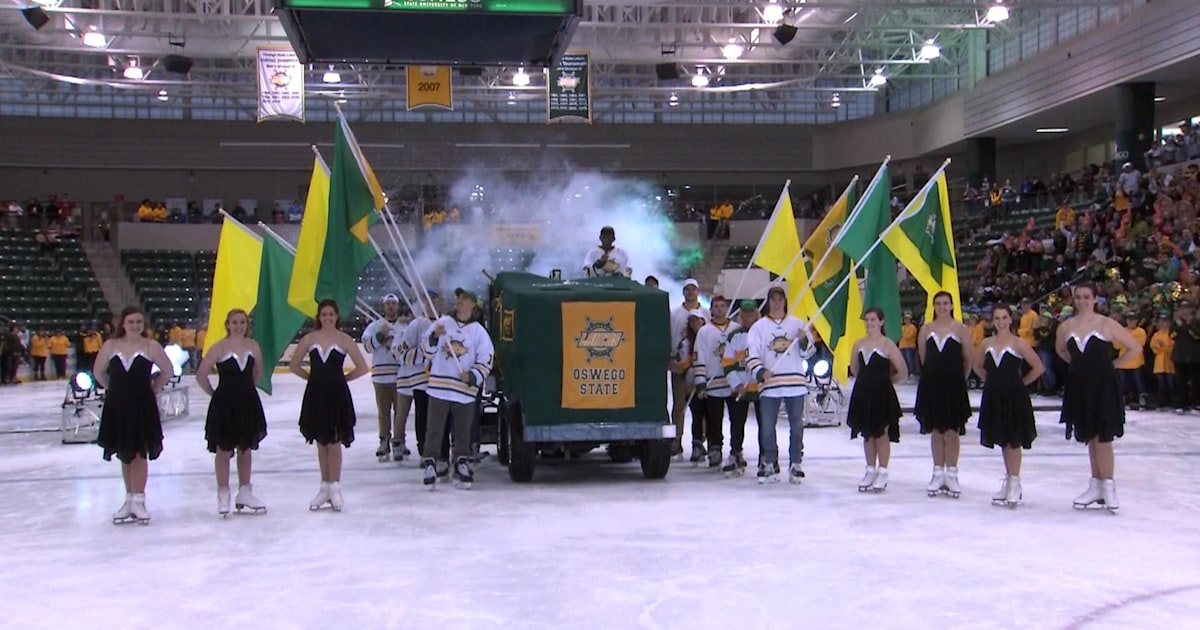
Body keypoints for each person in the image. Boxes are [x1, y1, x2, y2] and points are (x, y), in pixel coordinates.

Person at [1055, 283, 1142, 512]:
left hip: (1103, 386)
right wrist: (1079, 367)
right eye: (1078, 297)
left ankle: (1109, 486)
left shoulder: (1106, 324)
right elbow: (1061, 350)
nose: (1082, 301)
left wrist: (1113, 366)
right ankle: (1096, 485)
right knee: (1090, 436)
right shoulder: (1066, 327)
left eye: (1086, 297)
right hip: (1080, 386)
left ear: (1095, 299)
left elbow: (1134, 348)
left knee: (1103, 438)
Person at [94, 306, 174, 525]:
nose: (135, 326)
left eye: (139, 322)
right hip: (118, 405)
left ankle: (139, 500)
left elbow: (167, 370)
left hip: (142, 404)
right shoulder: (111, 345)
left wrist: (153, 388)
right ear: (123, 324)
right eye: (131, 322)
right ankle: (129, 500)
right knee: (124, 451)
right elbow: (98, 372)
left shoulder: (151, 346)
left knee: (139, 452)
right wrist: (112, 388)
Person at [289, 299, 369, 512]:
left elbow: (362, 367)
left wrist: (343, 380)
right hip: (316, 395)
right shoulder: (309, 339)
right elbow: (294, 365)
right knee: (321, 442)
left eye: (331, 314)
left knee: (334, 442)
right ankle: (324, 486)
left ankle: (335, 487)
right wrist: (311, 379)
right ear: (319, 317)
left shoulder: (344, 339)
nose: (327, 318)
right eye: (323, 315)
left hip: (336, 395)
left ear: (336, 316)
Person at [196, 309, 269, 517]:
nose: (238, 326)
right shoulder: (219, 347)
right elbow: (201, 374)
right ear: (227, 324)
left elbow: (258, 373)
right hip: (224, 404)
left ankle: (245, 491)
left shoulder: (253, 346)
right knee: (223, 450)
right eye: (234, 322)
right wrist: (215, 394)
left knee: (245, 448)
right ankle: (223, 493)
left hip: (247, 402)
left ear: (247, 325)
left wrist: (246, 391)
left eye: (242, 322)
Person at [419, 288, 494, 490]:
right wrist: (435, 336)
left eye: (465, 299)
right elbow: (425, 349)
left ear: (473, 305)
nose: (460, 301)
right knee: (434, 430)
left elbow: (486, 359)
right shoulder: (443, 323)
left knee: (463, 432)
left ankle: (461, 462)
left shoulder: (478, 331)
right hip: (439, 388)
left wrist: (472, 376)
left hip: (464, 392)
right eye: (459, 298)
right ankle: (431, 464)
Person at [975, 305, 1045, 508]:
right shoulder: (986, 344)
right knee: (1004, 439)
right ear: (992, 321)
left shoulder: (1018, 343)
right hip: (994, 396)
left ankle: (1015, 481)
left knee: (1013, 440)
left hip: (1014, 396)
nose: (1001, 321)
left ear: (1010, 319)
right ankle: (1009, 479)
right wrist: (989, 380)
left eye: (1004, 317)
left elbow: (1039, 366)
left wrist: (1022, 383)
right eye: (997, 318)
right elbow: (976, 365)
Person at [747, 286, 814, 484]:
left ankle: (795, 462)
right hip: (771, 384)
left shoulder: (797, 324)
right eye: (773, 299)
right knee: (767, 427)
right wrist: (760, 371)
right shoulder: (758, 327)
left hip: (795, 383)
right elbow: (751, 353)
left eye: (780, 299)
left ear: (785, 301)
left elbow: (808, 352)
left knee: (796, 426)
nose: (776, 303)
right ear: (768, 302)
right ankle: (770, 462)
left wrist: (802, 341)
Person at [915, 291, 973, 498]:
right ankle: (937, 472)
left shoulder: (961, 329)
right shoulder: (926, 329)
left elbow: (967, 359)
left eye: (945, 303)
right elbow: (924, 357)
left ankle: (952, 473)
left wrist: (958, 379)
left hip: (953, 384)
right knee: (936, 431)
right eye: (938, 303)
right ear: (933, 306)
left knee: (951, 431)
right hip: (932, 384)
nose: (941, 307)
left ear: (951, 305)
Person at [847, 307, 907, 492]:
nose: (869, 323)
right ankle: (870, 469)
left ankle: (883, 471)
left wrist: (886, 383)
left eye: (873, 320)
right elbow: (856, 369)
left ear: (881, 322)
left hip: (882, 394)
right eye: (867, 320)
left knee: (881, 434)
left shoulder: (888, 345)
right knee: (868, 434)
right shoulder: (858, 344)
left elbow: (902, 371)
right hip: (864, 393)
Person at [397, 291, 450, 473]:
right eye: (428, 302)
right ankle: (425, 453)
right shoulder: (416, 325)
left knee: (443, 419)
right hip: (421, 380)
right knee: (423, 418)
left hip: (442, 381)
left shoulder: (448, 323)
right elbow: (400, 350)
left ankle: (443, 454)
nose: (432, 304)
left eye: (435, 300)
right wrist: (425, 356)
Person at [692, 295, 739, 469]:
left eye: (722, 306)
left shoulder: (736, 328)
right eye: (716, 306)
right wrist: (701, 382)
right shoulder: (704, 332)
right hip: (714, 383)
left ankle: (736, 450)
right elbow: (699, 356)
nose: (719, 309)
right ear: (711, 309)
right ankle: (715, 447)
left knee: (737, 419)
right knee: (714, 419)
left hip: (734, 383)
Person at [362, 294, 407, 462]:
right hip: (380, 376)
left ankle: (399, 440)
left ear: (398, 306)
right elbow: (367, 346)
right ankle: (384, 440)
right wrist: (381, 336)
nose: (390, 306)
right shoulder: (375, 326)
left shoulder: (404, 327)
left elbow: (407, 347)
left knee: (400, 412)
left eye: (393, 303)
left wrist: (393, 344)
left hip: (400, 375)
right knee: (383, 412)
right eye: (388, 303)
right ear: (383, 306)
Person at [668, 279, 707, 458]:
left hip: (701, 367)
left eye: (693, 289)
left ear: (697, 291)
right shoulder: (674, 314)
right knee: (679, 406)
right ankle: (676, 440)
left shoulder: (705, 312)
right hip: (680, 367)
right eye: (687, 290)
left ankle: (700, 440)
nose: (690, 292)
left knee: (702, 406)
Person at [720, 300, 760, 477]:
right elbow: (727, 363)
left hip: (760, 388)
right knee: (737, 423)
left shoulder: (763, 333)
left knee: (765, 425)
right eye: (745, 312)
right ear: (741, 314)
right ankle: (736, 452)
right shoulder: (734, 336)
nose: (748, 315)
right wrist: (736, 384)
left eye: (751, 312)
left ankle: (766, 457)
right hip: (740, 387)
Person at [675, 310, 709, 463]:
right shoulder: (685, 342)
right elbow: (682, 363)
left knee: (710, 416)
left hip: (710, 383)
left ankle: (707, 442)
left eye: (698, 320)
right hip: (692, 385)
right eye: (692, 321)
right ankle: (696, 444)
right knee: (697, 414)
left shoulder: (710, 338)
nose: (695, 324)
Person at [1116, 312, 1148, 410]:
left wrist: (1126, 342)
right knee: (1123, 383)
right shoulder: (1121, 331)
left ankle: (1142, 399)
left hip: (1136, 361)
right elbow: (1116, 345)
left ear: (1136, 321)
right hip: (1124, 361)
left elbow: (1139, 344)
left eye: (1133, 319)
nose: (1131, 321)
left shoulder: (1141, 331)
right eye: (1129, 319)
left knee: (1139, 382)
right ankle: (1124, 400)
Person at [1150, 315, 1175, 408]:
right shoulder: (1156, 335)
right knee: (1161, 384)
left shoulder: (1172, 334)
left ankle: (1172, 400)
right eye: (1162, 321)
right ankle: (1162, 401)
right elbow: (1153, 347)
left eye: (1165, 321)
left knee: (1171, 383)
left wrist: (1162, 347)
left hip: (1169, 362)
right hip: (1159, 363)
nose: (1163, 324)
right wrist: (1159, 347)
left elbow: (1172, 346)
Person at [899, 311, 918, 382]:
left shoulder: (912, 327)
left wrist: (902, 333)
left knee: (910, 361)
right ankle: (906, 375)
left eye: (907, 319)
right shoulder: (902, 327)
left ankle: (912, 374)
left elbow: (909, 336)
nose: (906, 320)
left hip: (910, 347)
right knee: (904, 362)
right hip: (902, 347)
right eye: (905, 319)